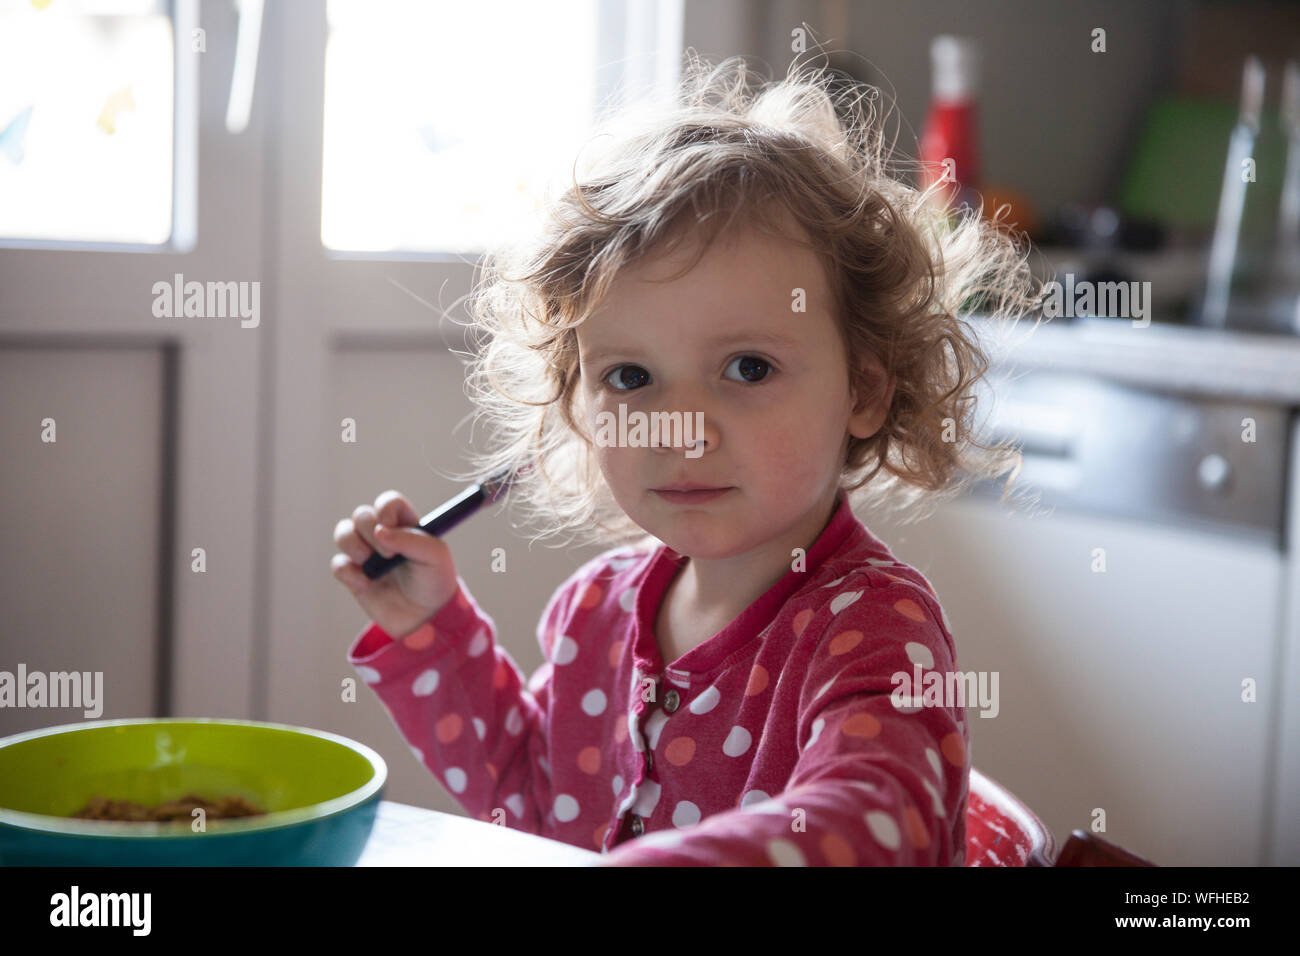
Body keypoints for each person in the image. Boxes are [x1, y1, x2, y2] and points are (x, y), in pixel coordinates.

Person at [330, 51, 1041, 865]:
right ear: (580, 406)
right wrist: (428, 628)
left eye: (748, 368)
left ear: (865, 390)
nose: (679, 431)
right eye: (630, 378)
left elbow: (877, 820)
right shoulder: (595, 609)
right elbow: (526, 800)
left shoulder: (876, 629)